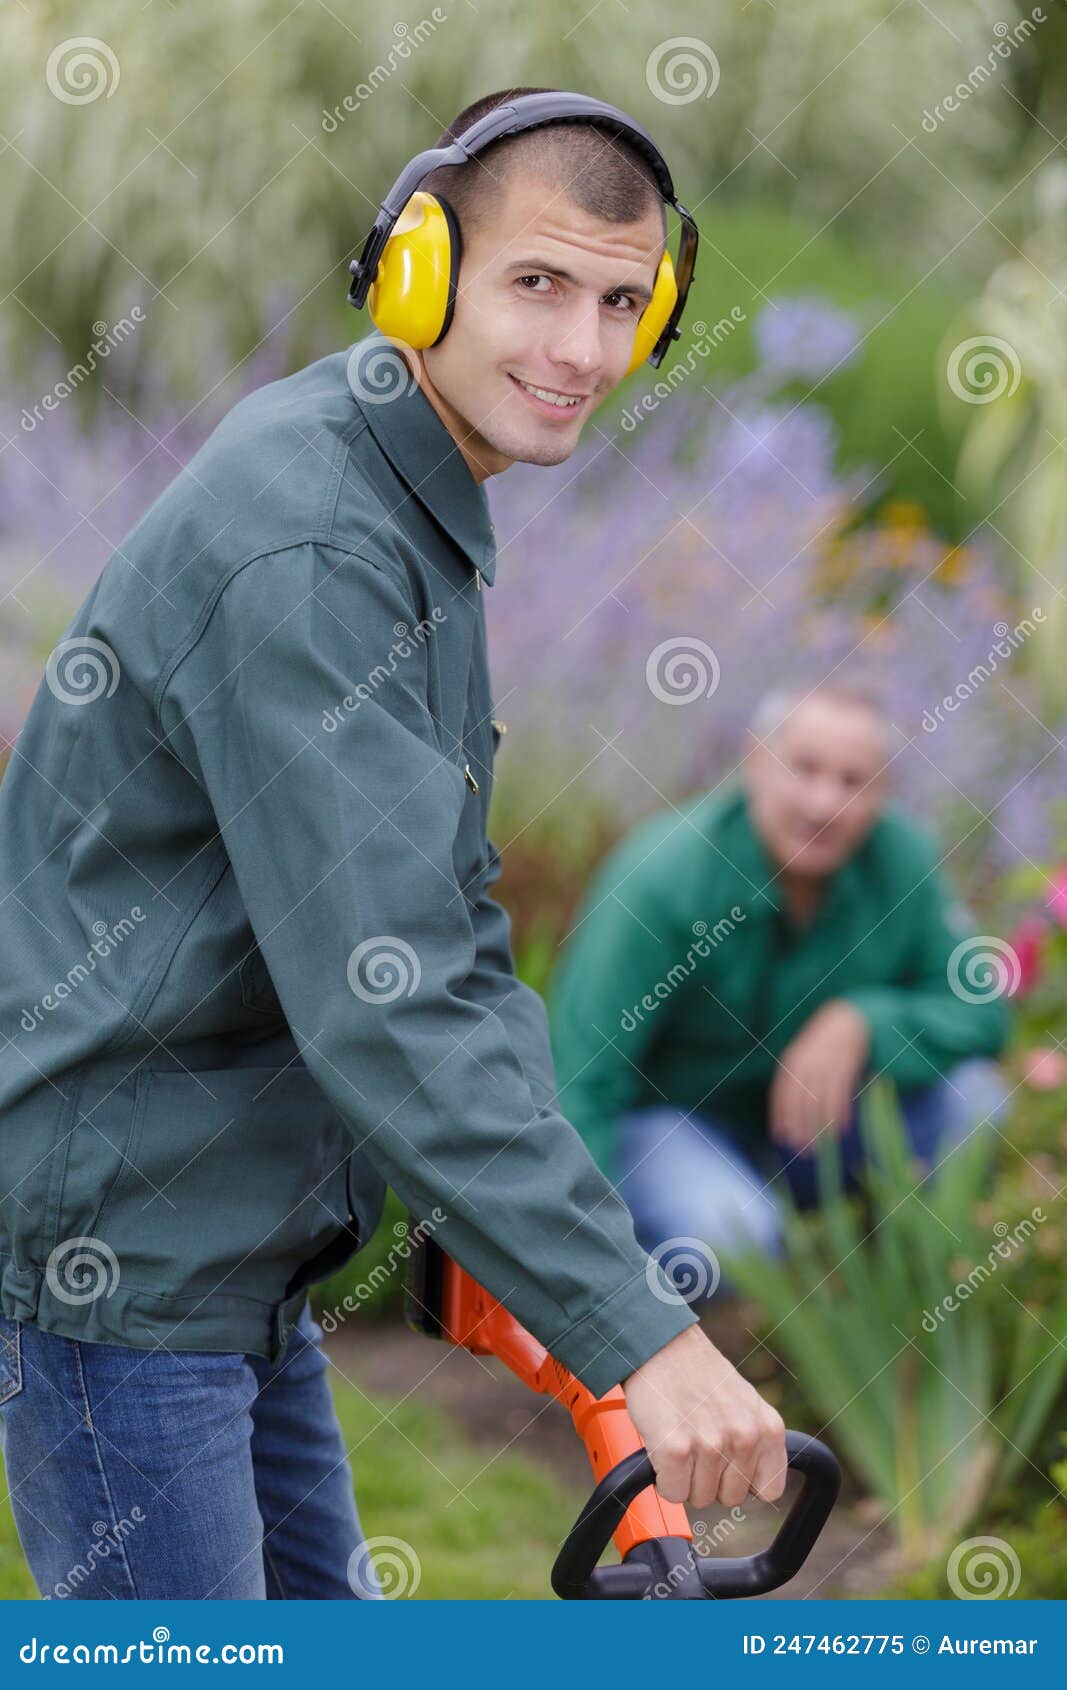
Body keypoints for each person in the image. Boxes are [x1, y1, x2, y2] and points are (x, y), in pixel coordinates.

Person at [0, 87, 786, 1601]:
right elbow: (388, 993)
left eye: (621, 303)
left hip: (229, 1249)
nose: (577, 351)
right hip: (128, 1263)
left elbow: (438, 915)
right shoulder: (316, 549)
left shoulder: (396, 494)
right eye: (535, 285)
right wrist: (646, 1332)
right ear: (416, 269)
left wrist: (519, 1229)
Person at [548, 682, 1012, 1298]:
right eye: (804, 768)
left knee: (978, 1104)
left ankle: (892, 1307)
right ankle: (659, 1338)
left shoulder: (903, 858)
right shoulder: (662, 877)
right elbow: (582, 1081)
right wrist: (574, 1260)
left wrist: (862, 1023)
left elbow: (984, 1010)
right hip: (674, 1126)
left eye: (853, 782)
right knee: (734, 1240)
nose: (824, 803)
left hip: (811, 1135)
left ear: (883, 795)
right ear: (754, 761)